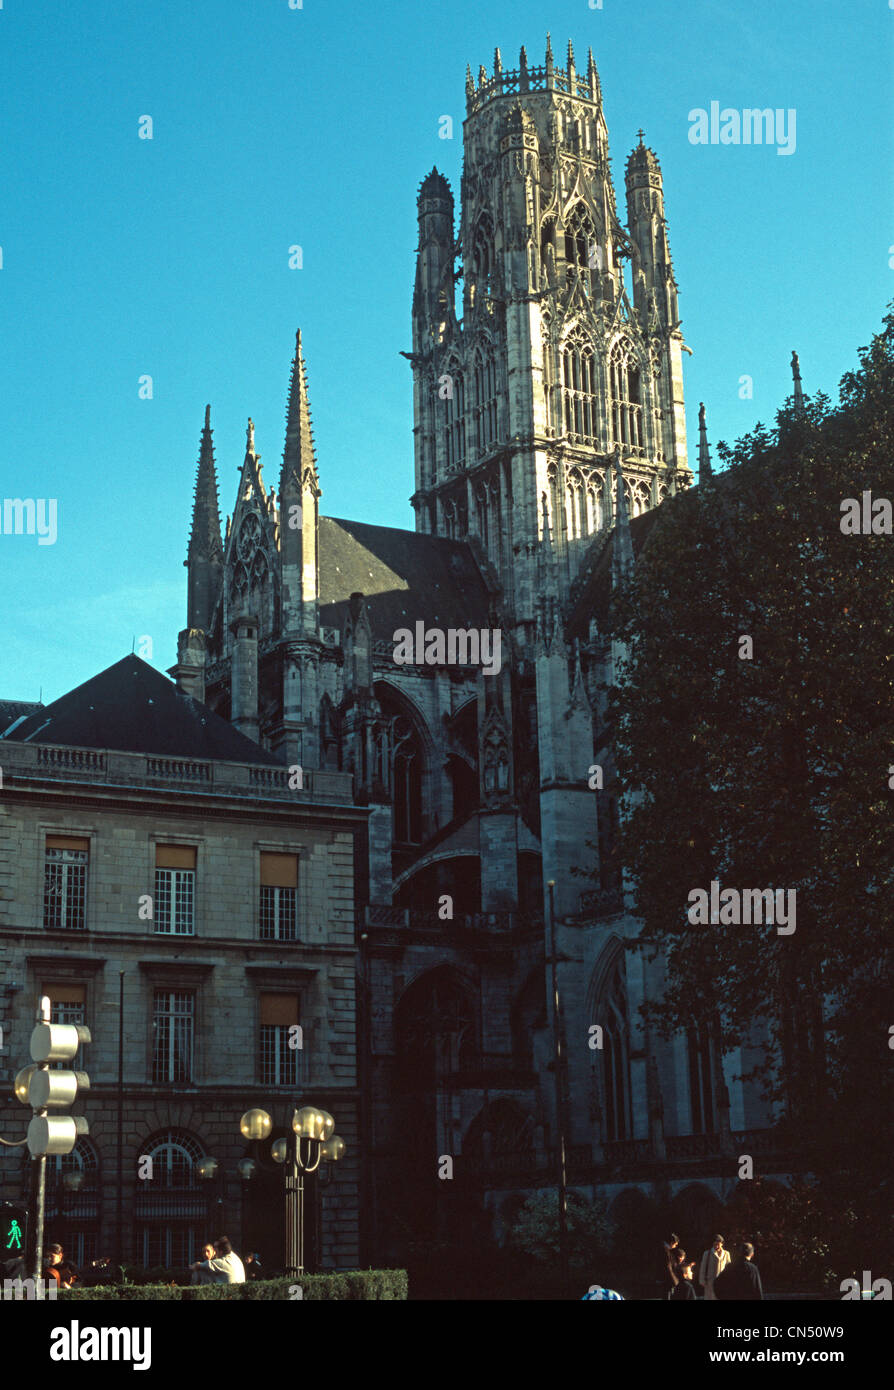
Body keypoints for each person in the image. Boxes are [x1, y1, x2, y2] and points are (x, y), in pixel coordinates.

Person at [699, 1235, 731, 1301]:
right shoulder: (707, 1253)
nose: (716, 1245)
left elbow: (729, 1268)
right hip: (710, 1282)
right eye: (715, 1243)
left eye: (718, 1243)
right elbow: (703, 1268)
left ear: (722, 1244)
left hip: (722, 1282)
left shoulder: (726, 1254)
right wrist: (702, 1280)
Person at [662, 1232, 681, 1298]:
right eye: (675, 1245)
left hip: (667, 1279)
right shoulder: (665, 1251)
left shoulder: (666, 1250)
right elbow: (668, 1267)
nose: (675, 1247)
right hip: (667, 1280)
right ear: (672, 1242)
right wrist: (675, 1281)